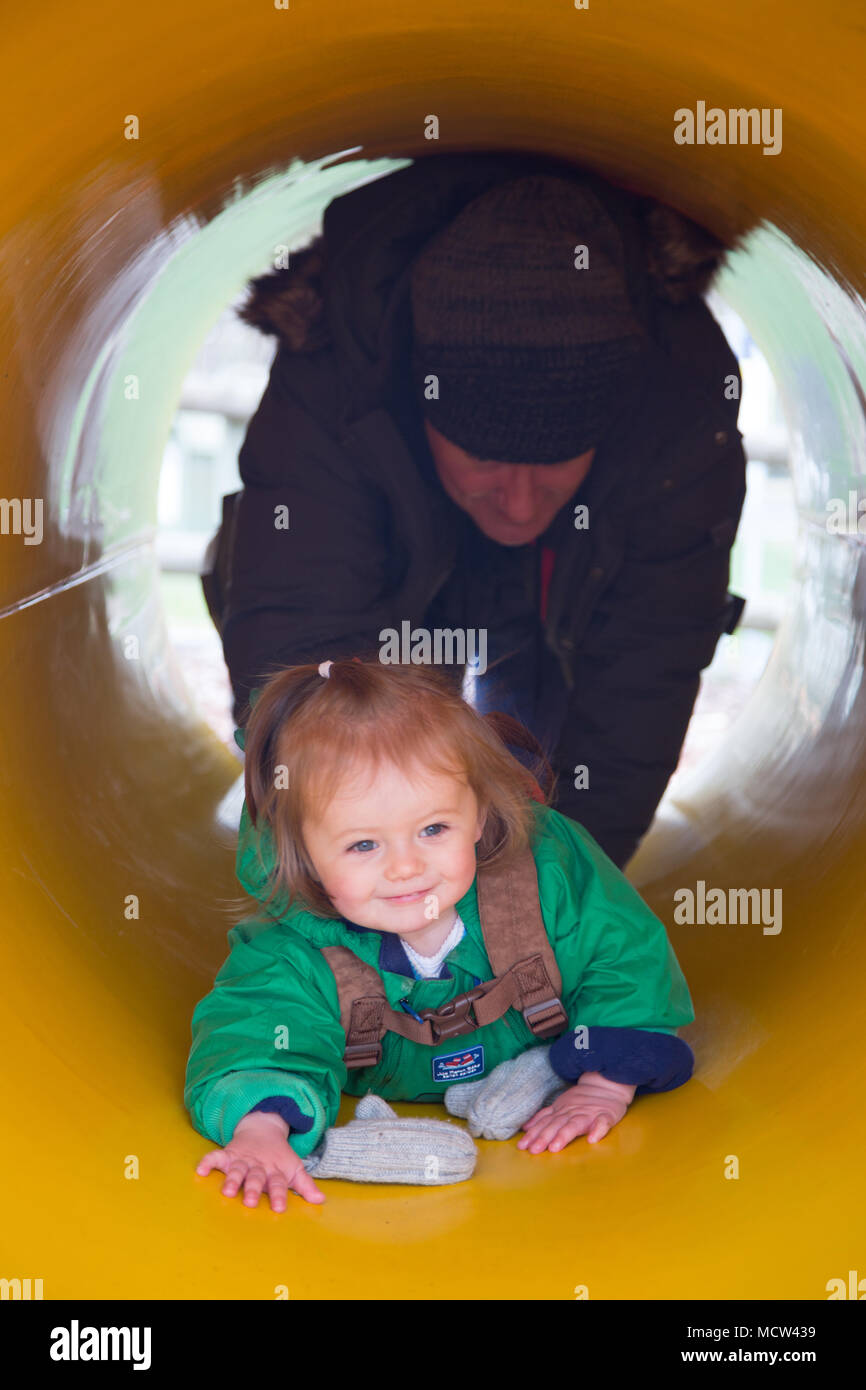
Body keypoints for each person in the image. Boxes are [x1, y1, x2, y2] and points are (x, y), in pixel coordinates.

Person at [201, 148, 748, 869]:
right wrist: (342, 887)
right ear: (423, 410)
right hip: (393, 592)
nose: (520, 502)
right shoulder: (334, 383)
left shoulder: (677, 407)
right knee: (387, 755)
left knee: (533, 784)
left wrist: (567, 894)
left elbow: (645, 668)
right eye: (484, 458)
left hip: (560, 603)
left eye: (556, 461)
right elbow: (300, 640)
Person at [186, 659, 695, 1210]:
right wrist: (261, 1128)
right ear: (304, 856)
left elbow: (622, 953)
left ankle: (550, 1067)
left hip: (534, 1058)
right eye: (363, 845)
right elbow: (258, 1031)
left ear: (478, 815)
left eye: (433, 829)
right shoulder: (294, 950)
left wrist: (605, 1081)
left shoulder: (544, 880)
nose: (405, 867)